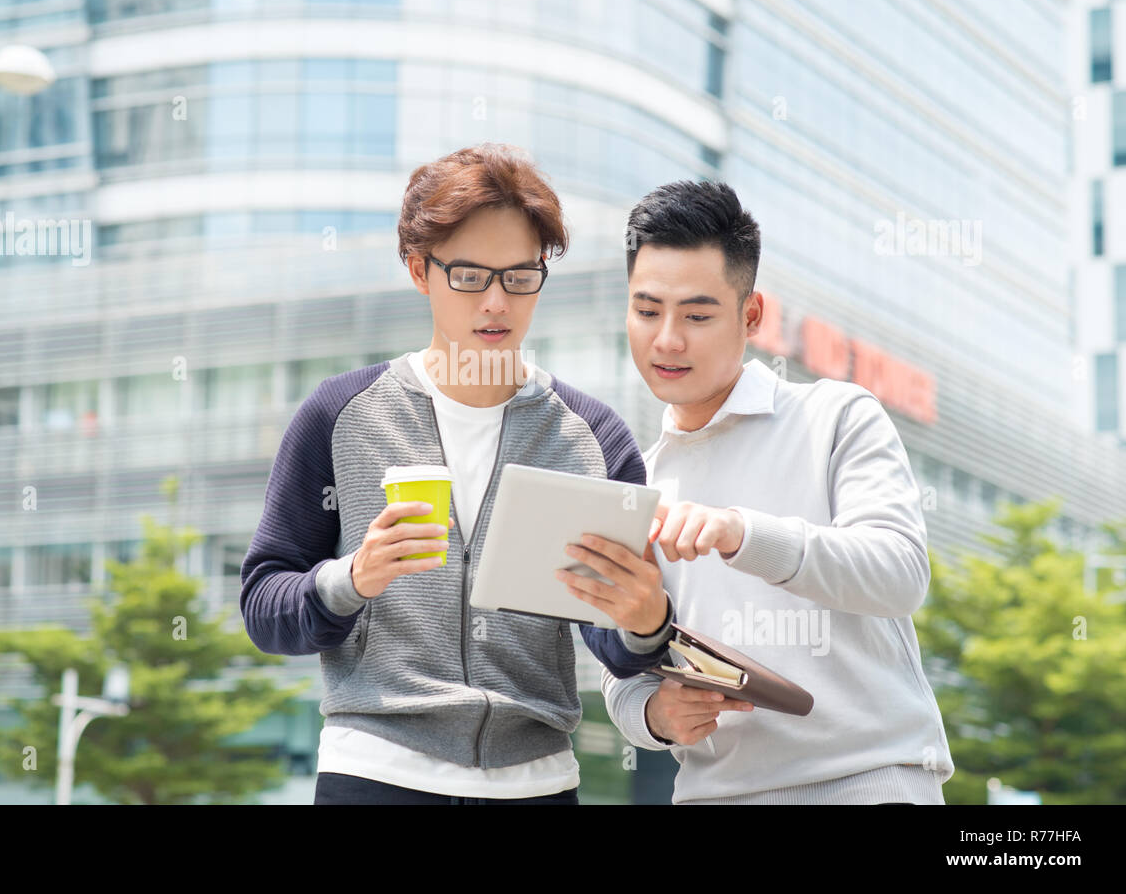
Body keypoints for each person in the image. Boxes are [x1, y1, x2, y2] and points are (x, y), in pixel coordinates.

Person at [240, 143, 674, 804]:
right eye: (470, 276)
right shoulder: (339, 414)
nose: (497, 302)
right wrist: (352, 579)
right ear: (420, 269)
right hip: (377, 771)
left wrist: (647, 621)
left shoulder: (596, 437)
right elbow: (263, 606)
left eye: (520, 276)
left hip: (538, 782)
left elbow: (615, 643)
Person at [594, 179, 954, 803]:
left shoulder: (837, 415)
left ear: (751, 315)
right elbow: (620, 663)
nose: (668, 339)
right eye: (647, 311)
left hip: (867, 783)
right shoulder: (634, 482)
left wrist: (744, 533)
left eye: (698, 315)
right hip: (711, 793)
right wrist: (652, 718)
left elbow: (900, 573)